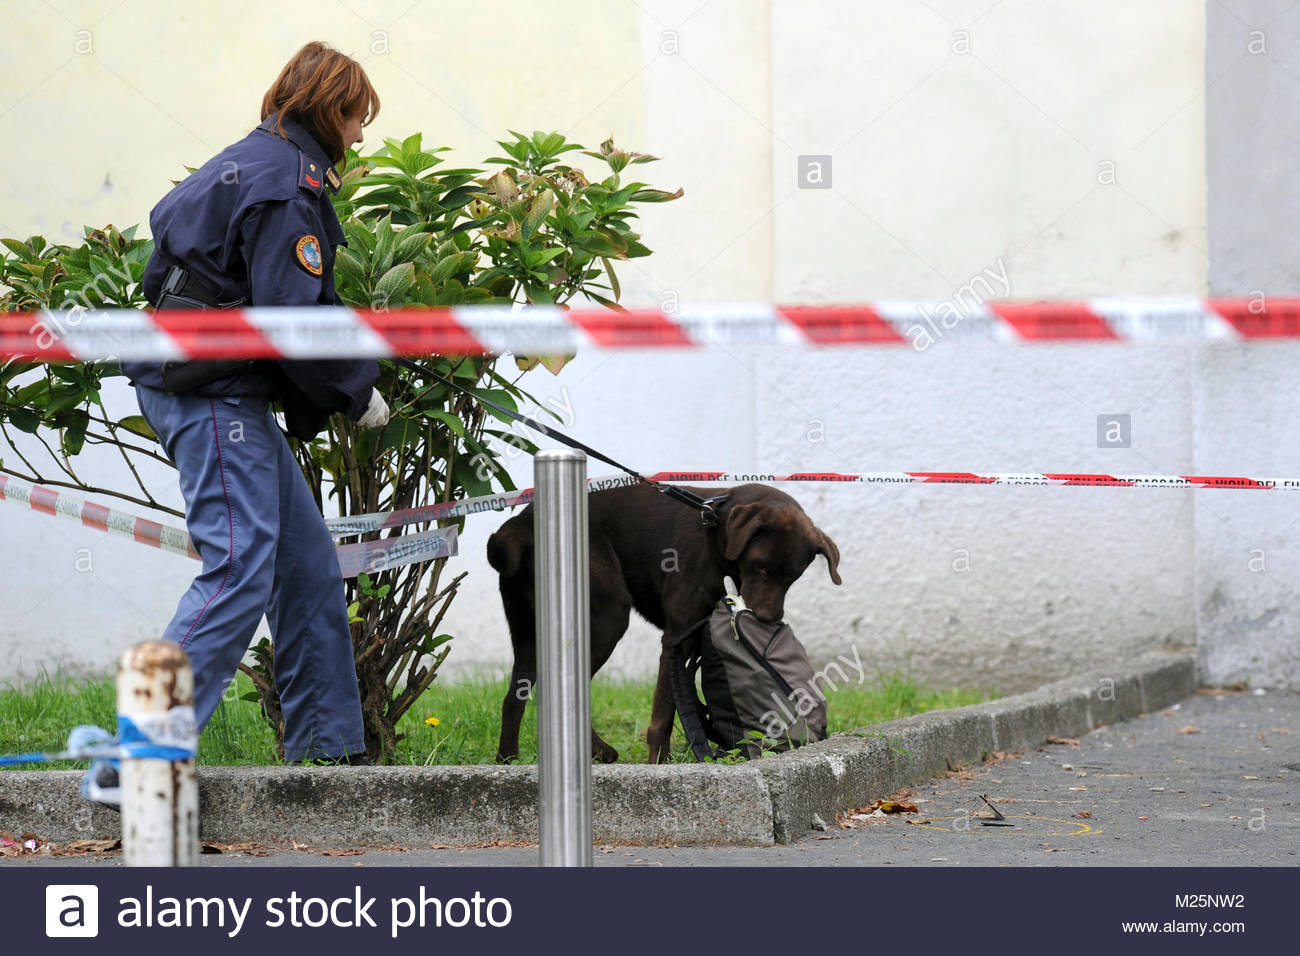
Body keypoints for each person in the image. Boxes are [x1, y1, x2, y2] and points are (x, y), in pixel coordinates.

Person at [114, 42, 388, 782]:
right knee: (238, 567)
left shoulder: (256, 159)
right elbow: (291, 322)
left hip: (217, 388)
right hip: (210, 396)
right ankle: (138, 757)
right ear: (331, 109)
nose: (361, 136)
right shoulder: (285, 186)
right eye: (358, 118)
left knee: (303, 570)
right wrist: (356, 391)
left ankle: (325, 763)